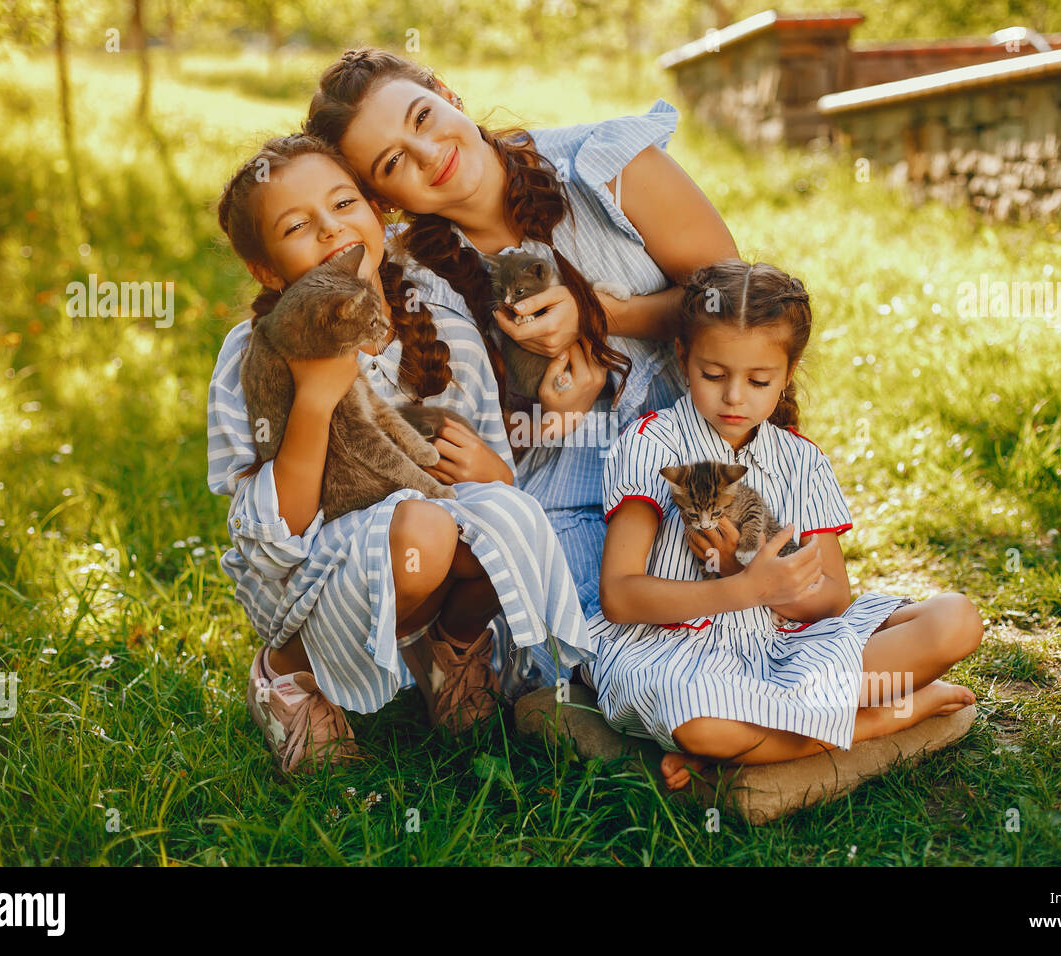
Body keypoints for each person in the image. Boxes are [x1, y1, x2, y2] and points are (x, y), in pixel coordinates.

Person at [303, 49, 738, 670]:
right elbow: (462, 446)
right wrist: (553, 418)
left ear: (449, 93)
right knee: (604, 654)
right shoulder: (412, 278)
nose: (428, 155)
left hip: (700, 449)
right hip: (558, 494)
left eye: (422, 118)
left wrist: (600, 316)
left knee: (747, 618)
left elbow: (739, 310)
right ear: (381, 198)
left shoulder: (604, 168)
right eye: (393, 162)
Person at [207, 133, 594, 773]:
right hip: (313, 580)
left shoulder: (438, 324)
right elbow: (277, 536)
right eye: (299, 226)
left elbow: (500, 478)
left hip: (426, 550)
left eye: (343, 204)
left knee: (500, 518)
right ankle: (287, 678)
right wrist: (314, 400)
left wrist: (492, 471)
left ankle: (449, 654)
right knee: (426, 527)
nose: (332, 231)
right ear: (268, 271)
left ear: (378, 215)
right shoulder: (258, 358)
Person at [589, 259, 984, 790]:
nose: (734, 396)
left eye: (758, 380)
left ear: (788, 374)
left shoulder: (801, 460)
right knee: (706, 725)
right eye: (713, 375)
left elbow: (833, 597)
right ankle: (887, 717)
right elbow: (619, 596)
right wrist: (740, 587)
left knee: (955, 620)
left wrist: (747, 575)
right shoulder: (651, 445)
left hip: (786, 646)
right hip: (672, 651)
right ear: (683, 357)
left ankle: (759, 738)